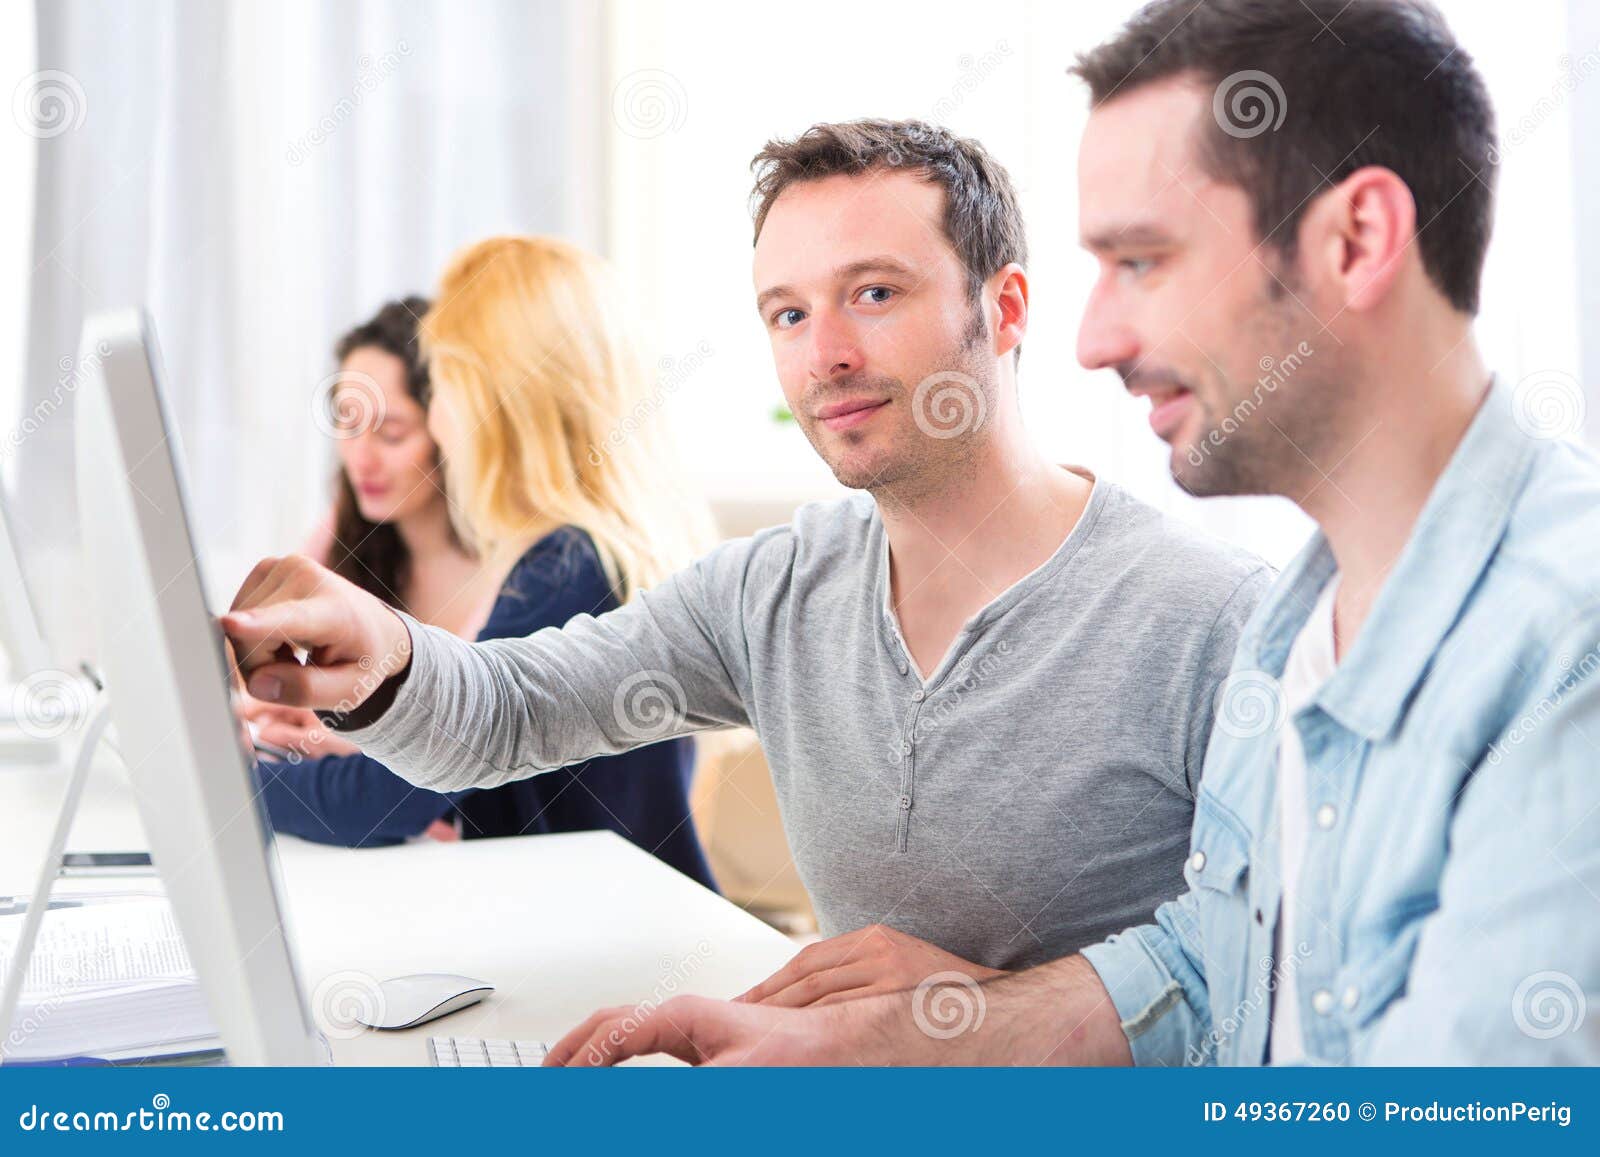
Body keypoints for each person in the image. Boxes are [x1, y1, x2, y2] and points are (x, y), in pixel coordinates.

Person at [537, 0, 1600, 1066]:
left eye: (1142, 260)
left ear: (1356, 241)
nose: (1094, 339)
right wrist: (891, 1040)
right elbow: (1205, 978)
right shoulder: (1297, 625)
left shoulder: (1564, 642)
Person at [221, 123, 1272, 997]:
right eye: (788, 312)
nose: (826, 355)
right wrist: (383, 651)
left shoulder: (1208, 613)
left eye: (874, 293)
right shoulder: (774, 588)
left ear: (1002, 310)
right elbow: (512, 707)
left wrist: (984, 1015)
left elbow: (1261, 981)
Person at [246, 272, 715, 889]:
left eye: (443, 394)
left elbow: (384, 799)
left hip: (616, 932)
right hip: (576, 911)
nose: (438, 418)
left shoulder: (565, 569)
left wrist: (223, 778)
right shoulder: (568, 555)